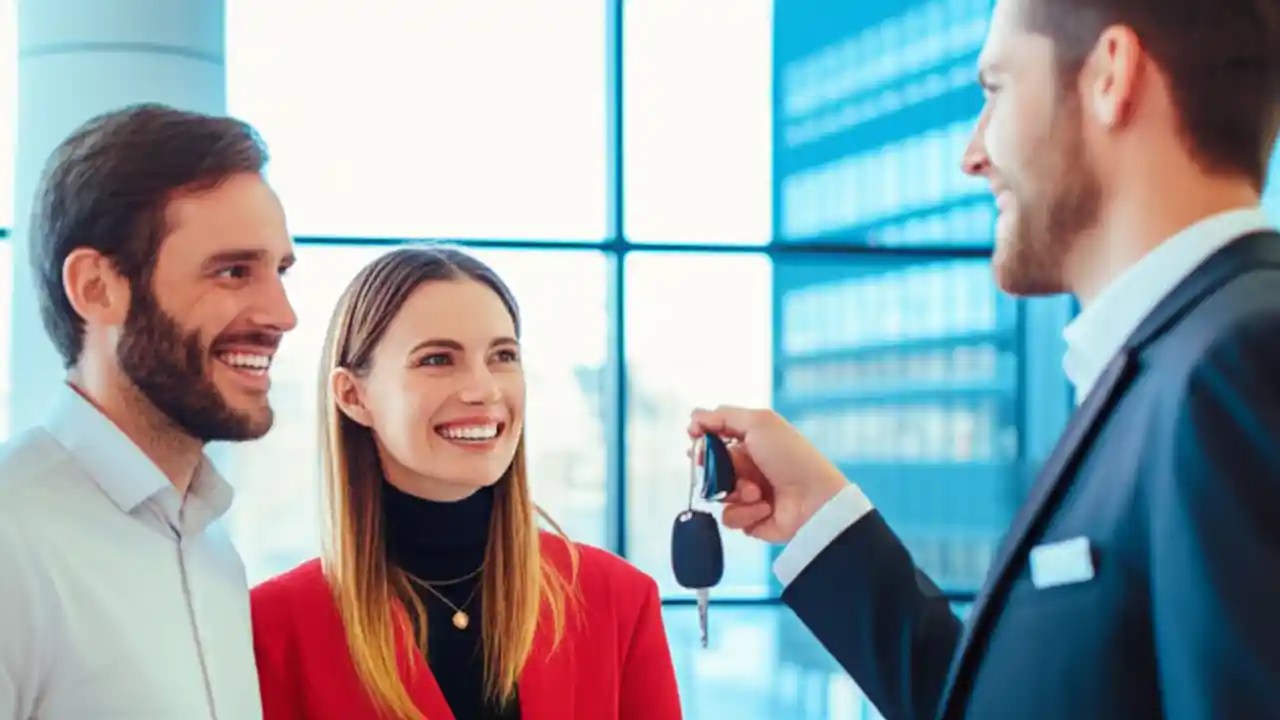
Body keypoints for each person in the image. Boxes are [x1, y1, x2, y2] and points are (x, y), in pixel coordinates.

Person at [688, 0, 1280, 717]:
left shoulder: (1240, 363)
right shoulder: (1170, 366)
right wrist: (818, 515)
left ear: (1109, 76)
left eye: (996, 89)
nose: (972, 154)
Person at [250, 246, 682, 720]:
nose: (484, 390)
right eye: (437, 359)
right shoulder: (274, 627)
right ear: (353, 395)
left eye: (502, 356)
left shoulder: (617, 600)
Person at [0, 104, 297, 719]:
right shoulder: (12, 540)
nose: (281, 314)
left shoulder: (214, 552)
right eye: (234, 271)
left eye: (280, 271)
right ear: (97, 287)